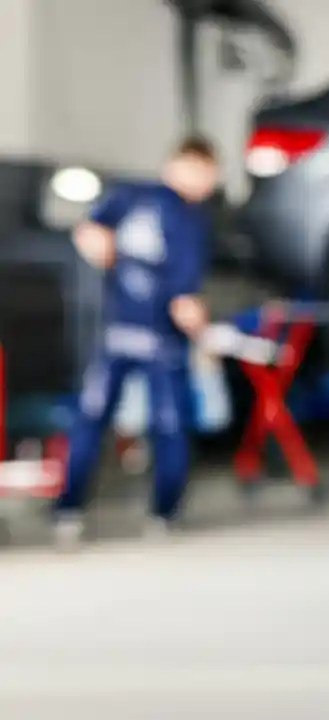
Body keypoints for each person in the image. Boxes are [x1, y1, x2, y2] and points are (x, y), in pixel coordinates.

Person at [53, 137, 219, 547]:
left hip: (142, 339)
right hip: (135, 338)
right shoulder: (156, 206)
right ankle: (81, 509)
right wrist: (205, 335)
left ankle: (147, 512)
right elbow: (89, 231)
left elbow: (184, 296)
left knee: (142, 425)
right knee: (134, 424)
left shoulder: (174, 214)